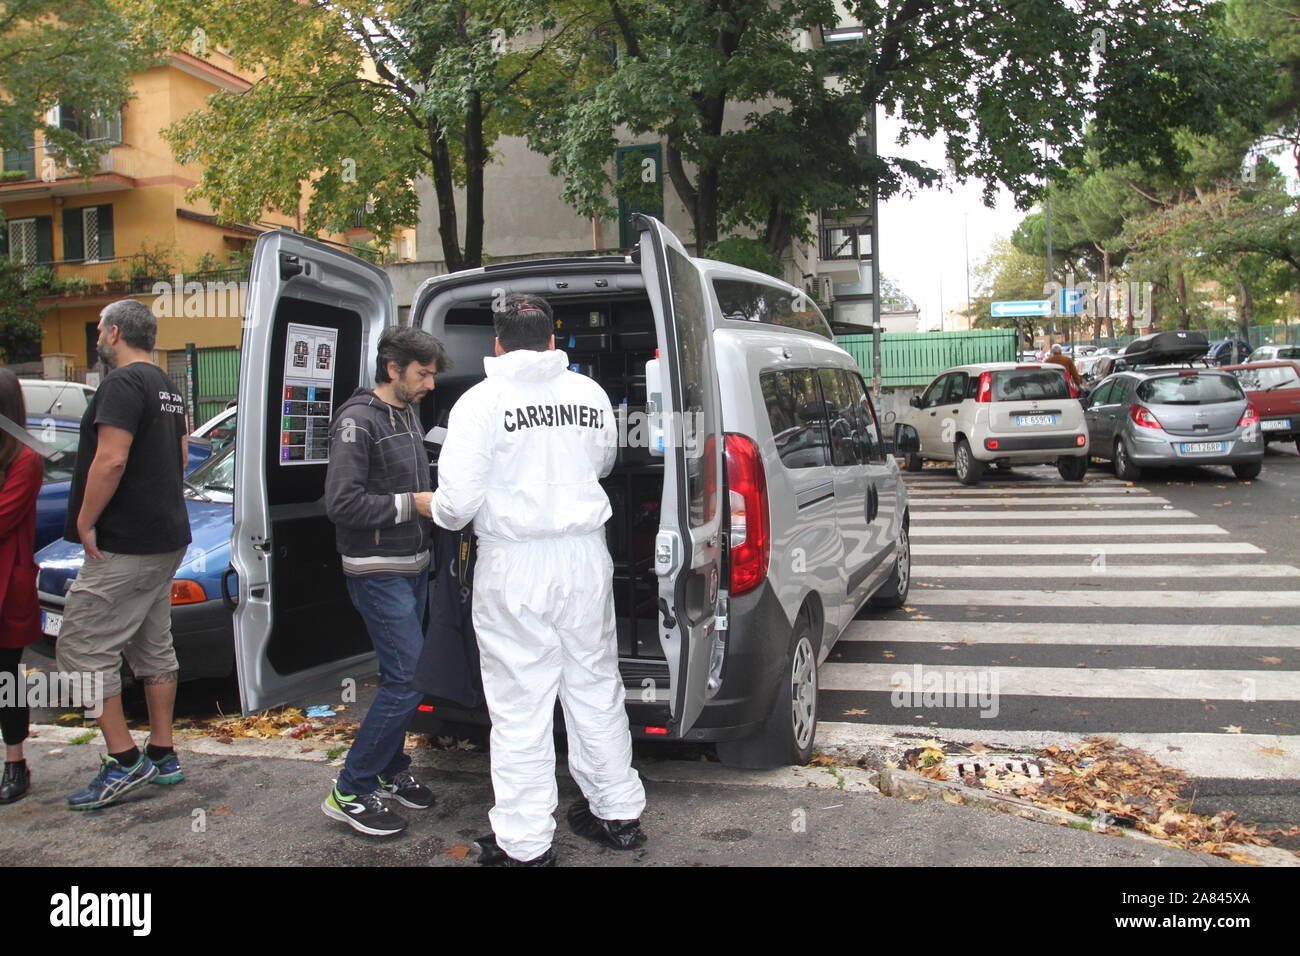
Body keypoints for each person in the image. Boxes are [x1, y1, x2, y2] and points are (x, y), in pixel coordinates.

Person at [432, 293, 646, 867]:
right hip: (583, 558)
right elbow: (601, 464)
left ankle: (526, 845)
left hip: (516, 564)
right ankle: (617, 814)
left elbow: (455, 508)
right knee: (594, 683)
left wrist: (420, 503)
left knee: (521, 704)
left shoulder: (479, 404)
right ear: (554, 340)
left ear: (496, 344)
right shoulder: (589, 394)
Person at [57, 299, 192, 810]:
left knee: (81, 649)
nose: (97, 336)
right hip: (166, 537)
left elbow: (110, 460)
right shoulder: (168, 385)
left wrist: (85, 520)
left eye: (98, 329)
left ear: (113, 333)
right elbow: (180, 456)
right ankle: (163, 753)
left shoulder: (120, 383)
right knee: (152, 645)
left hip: (127, 541)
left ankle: (124, 762)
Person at [321, 325, 448, 837]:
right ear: (393, 369)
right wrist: (413, 503)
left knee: (398, 672)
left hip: (412, 567)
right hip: (378, 573)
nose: (431, 384)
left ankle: (392, 771)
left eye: (433, 373)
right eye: (423, 373)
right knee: (410, 677)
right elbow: (341, 504)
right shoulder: (356, 422)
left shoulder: (405, 413)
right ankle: (350, 788)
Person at [0, 370, 45, 804]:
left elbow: (4, 516)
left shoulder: (26, 458)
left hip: (6, 587)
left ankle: (15, 762)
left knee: (5, 678)